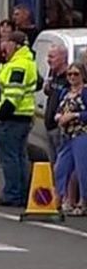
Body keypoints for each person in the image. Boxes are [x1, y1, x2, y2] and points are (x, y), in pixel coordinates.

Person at [0, 31, 37, 207]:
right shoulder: (26, 62)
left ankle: (13, 194)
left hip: (13, 116)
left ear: (16, 45)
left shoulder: (18, 65)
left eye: (7, 42)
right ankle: (21, 192)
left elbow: (13, 94)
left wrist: (1, 113)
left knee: (10, 157)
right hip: (23, 116)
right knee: (19, 156)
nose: (4, 46)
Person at [53, 62, 87, 215]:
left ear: (82, 75)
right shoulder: (65, 93)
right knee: (60, 167)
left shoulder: (85, 92)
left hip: (82, 134)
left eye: (76, 74)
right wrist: (59, 117)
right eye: (69, 74)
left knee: (82, 169)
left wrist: (75, 115)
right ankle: (60, 198)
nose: (72, 77)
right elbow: (59, 110)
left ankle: (83, 202)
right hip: (67, 135)